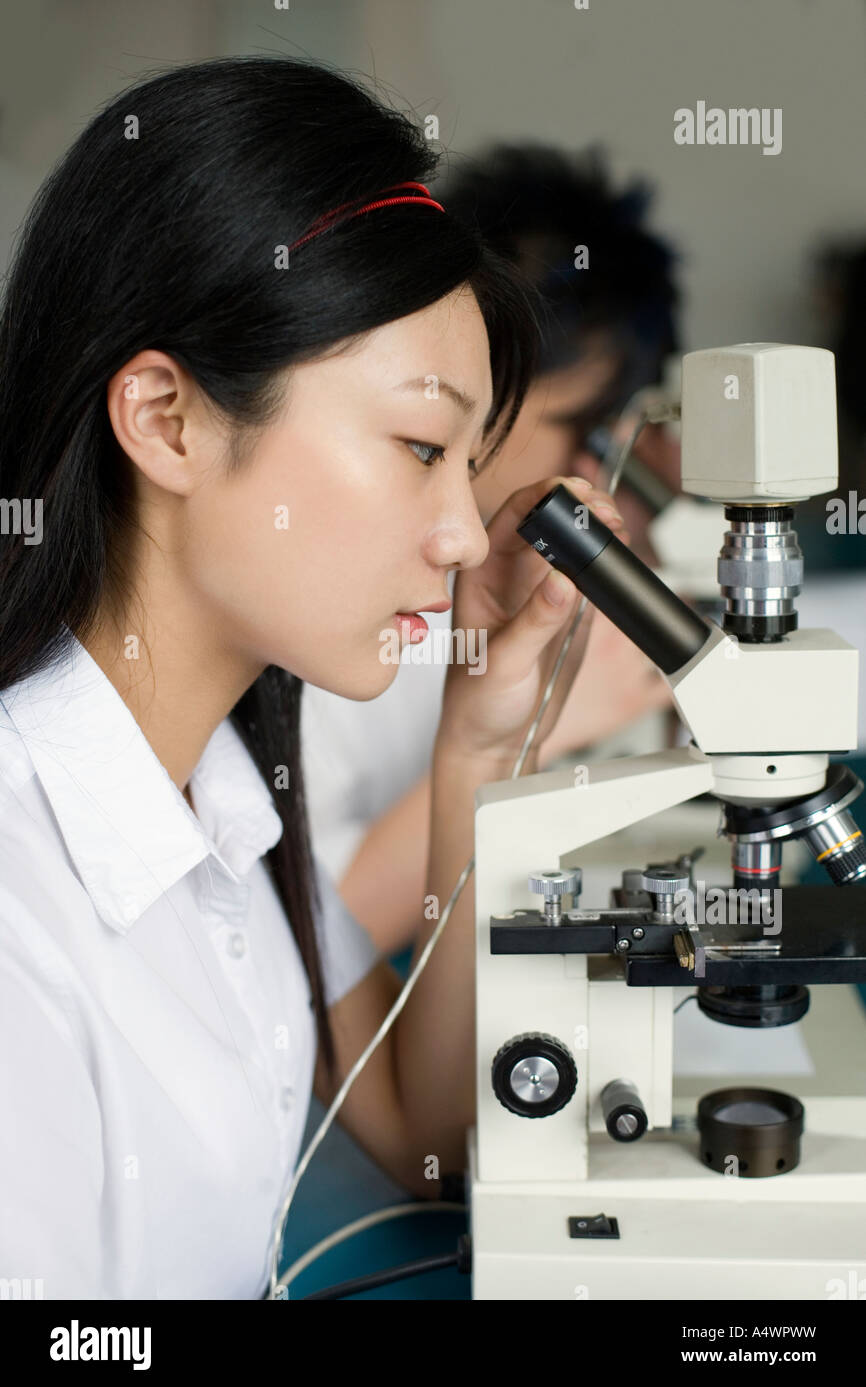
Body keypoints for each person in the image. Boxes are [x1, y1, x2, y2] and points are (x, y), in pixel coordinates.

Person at [0, 54, 628, 1299]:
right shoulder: (24, 903)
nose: (459, 535)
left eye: (468, 466)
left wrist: (476, 750)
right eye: (416, 445)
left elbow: (426, 1142)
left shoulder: (221, 783)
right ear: (167, 420)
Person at [301, 143, 683, 954]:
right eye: (576, 429)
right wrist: (546, 723)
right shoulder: (315, 591)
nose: (590, 469)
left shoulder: (504, 566)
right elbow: (314, 954)